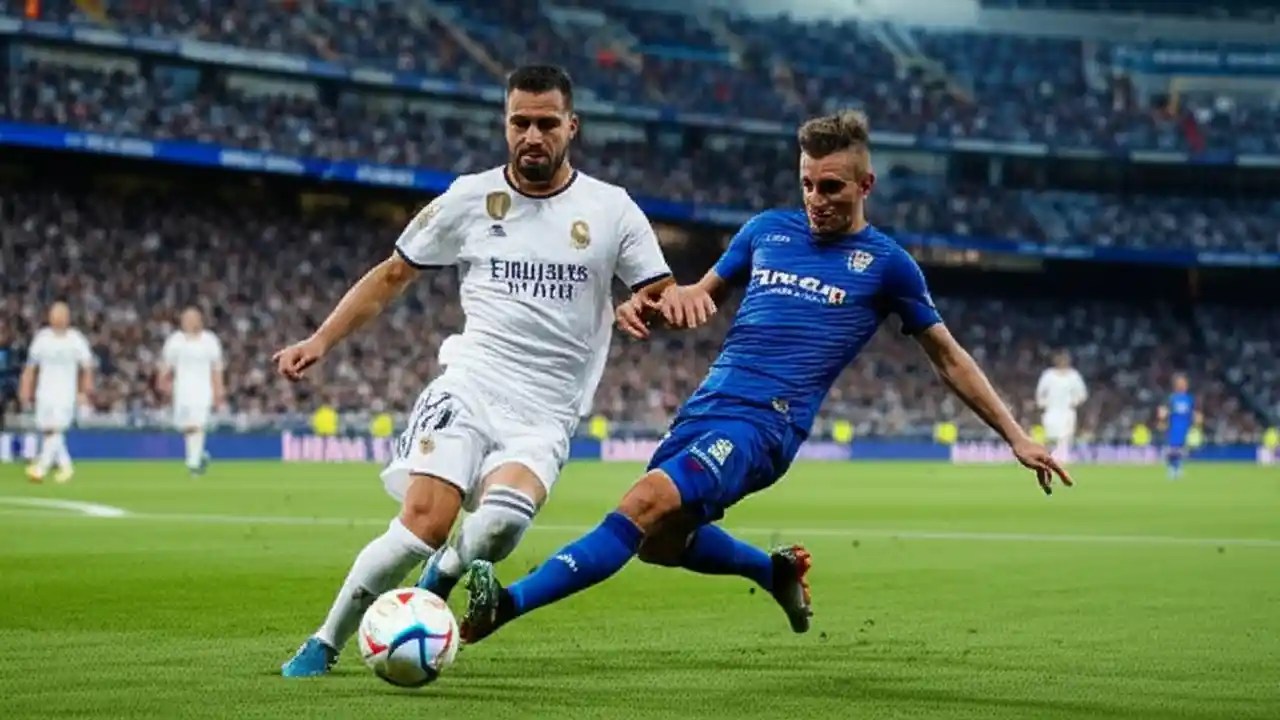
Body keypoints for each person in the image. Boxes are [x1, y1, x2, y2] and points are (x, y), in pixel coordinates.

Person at [459, 110, 1073, 645]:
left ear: (866, 185)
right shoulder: (765, 231)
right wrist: (648, 304)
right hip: (706, 408)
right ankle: (773, 572)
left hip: (765, 425)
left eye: (831, 187)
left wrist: (1016, 437)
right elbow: (696, 296)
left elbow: (948, 356)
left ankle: (504, 605)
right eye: (807, 184)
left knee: (642, 504)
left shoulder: (888, 265)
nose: (816, 199)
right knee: (658, 543)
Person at [274, 64, 672, 677]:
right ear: (505, 123)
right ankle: (324, 641)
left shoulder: (611, 210)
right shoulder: (469, 198)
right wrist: (322, 339)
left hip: (547, 410)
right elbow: (392, 274)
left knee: (497, 528)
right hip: (471, 383)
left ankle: (446, 575)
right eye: (520, 122)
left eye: (546, 123)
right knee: (421, 526)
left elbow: (660, 290)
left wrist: (638, 305)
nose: (532, 135)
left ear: (572, 125)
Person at [19, 302, 94, 483]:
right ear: (50, 316)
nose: (58, 317)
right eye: (55, 314)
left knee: (57, 428)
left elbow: (87, 367)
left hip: (65, 392)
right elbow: (30, 367)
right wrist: (25, 388)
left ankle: (41, 467)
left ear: (68, 318)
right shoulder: (42, 338)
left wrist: (85, 391)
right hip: (44, 391)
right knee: (48, 430)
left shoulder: (76, 339)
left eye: (62, 314)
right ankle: (66, 467)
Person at [158, 307, 225, 476]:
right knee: (186, 427)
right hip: (182, 389)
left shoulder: (209, 340)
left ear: (200, 320)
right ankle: (199, 455)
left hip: (203, 389)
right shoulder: (175, 341)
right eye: (186, 318)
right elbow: (166, 365)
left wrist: (218, 390)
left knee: (198, 423)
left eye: (192, 318)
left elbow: (216, 368)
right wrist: (162, 381)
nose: (189, 322)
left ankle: (193, 463)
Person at [1035, 350, 1087, 462]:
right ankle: (1048, 459)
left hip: (1067, 412)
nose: (1062, 362)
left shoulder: (1074, 376)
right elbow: (1040, 393)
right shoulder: (1048, 375)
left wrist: (1074, 402)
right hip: (1051, 411)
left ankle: (1063, 461)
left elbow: (1082, 394)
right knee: (1050, 437)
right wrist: (1043, 403)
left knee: (1065, 438)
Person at [1157, 373, 1199, 480]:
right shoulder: (1171, 398)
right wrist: (1162, 421)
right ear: (1176, 385)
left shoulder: (1190, 398)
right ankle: (1171, 469)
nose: (1182, 385)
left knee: (1181, 449)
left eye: (1184, 383)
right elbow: (1163, 410)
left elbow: (1194, 412)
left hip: (1186, 426)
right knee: (1173, 448)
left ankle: (1178, 468)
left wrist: (1196, 422)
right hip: (1174, 426)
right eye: (1180, 383)